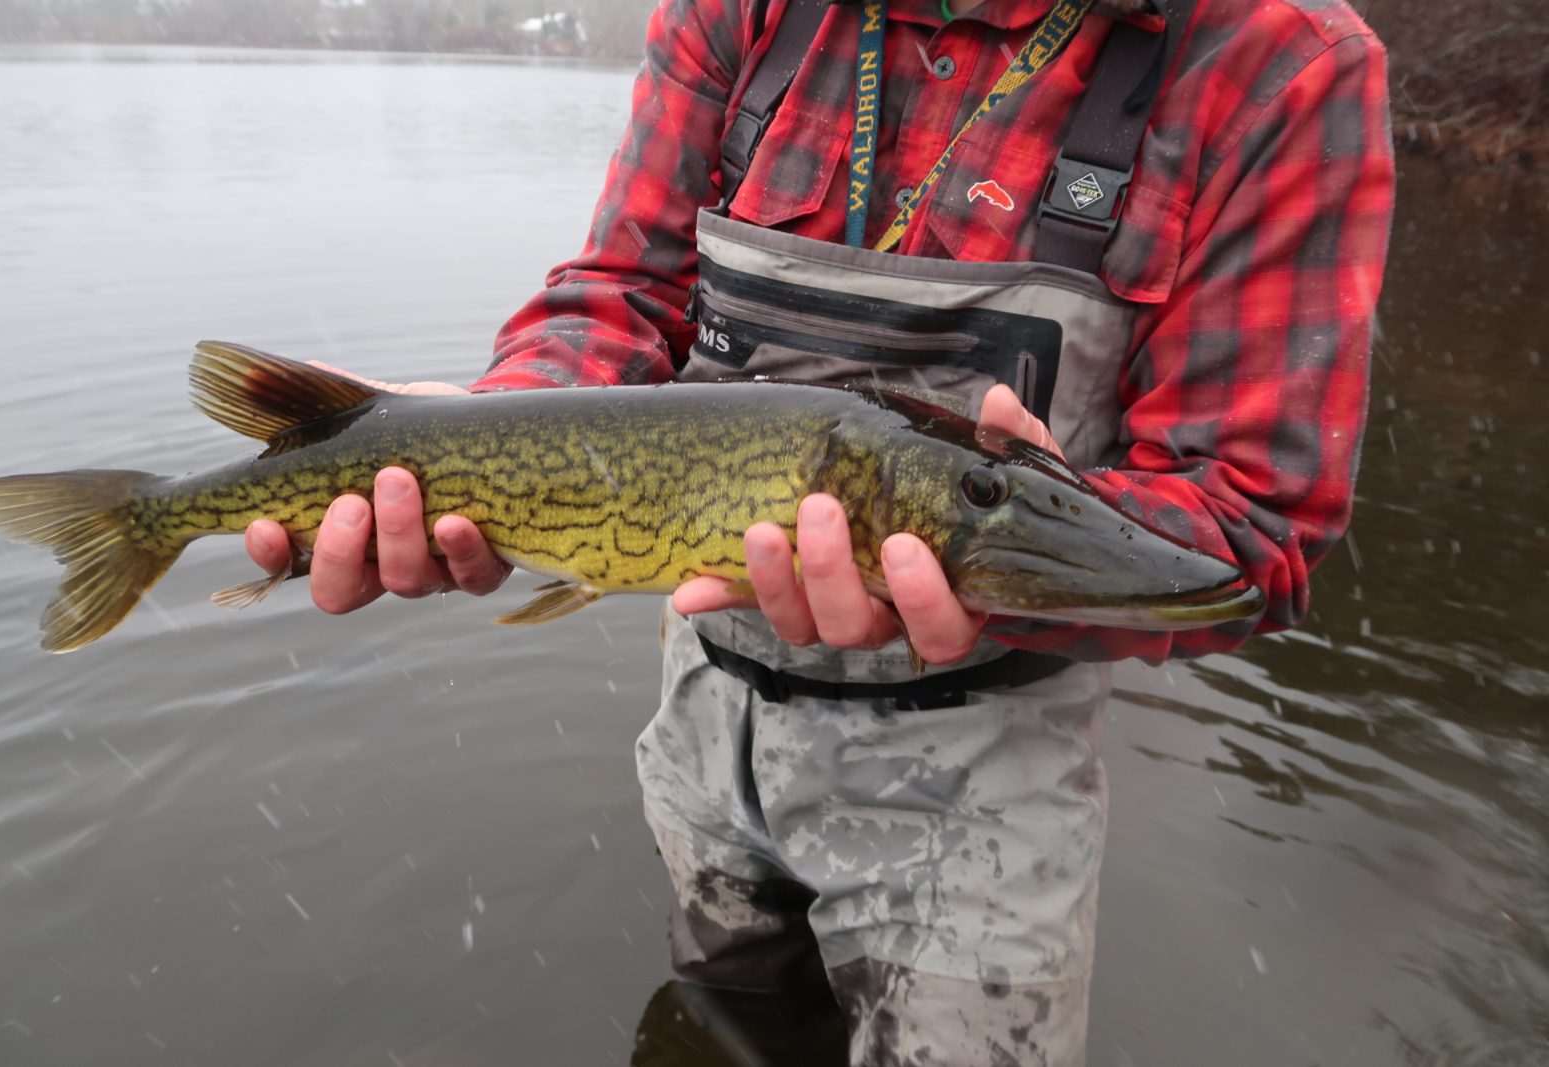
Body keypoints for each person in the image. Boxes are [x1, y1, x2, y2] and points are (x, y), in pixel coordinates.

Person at [245, 0, 1394, 1062]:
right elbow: (624, 292)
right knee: (713, 1027)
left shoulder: (1279, 65)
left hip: (985, 766)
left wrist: (987, 561)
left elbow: (1248, 535)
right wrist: (489, 436)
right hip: (708, 707)